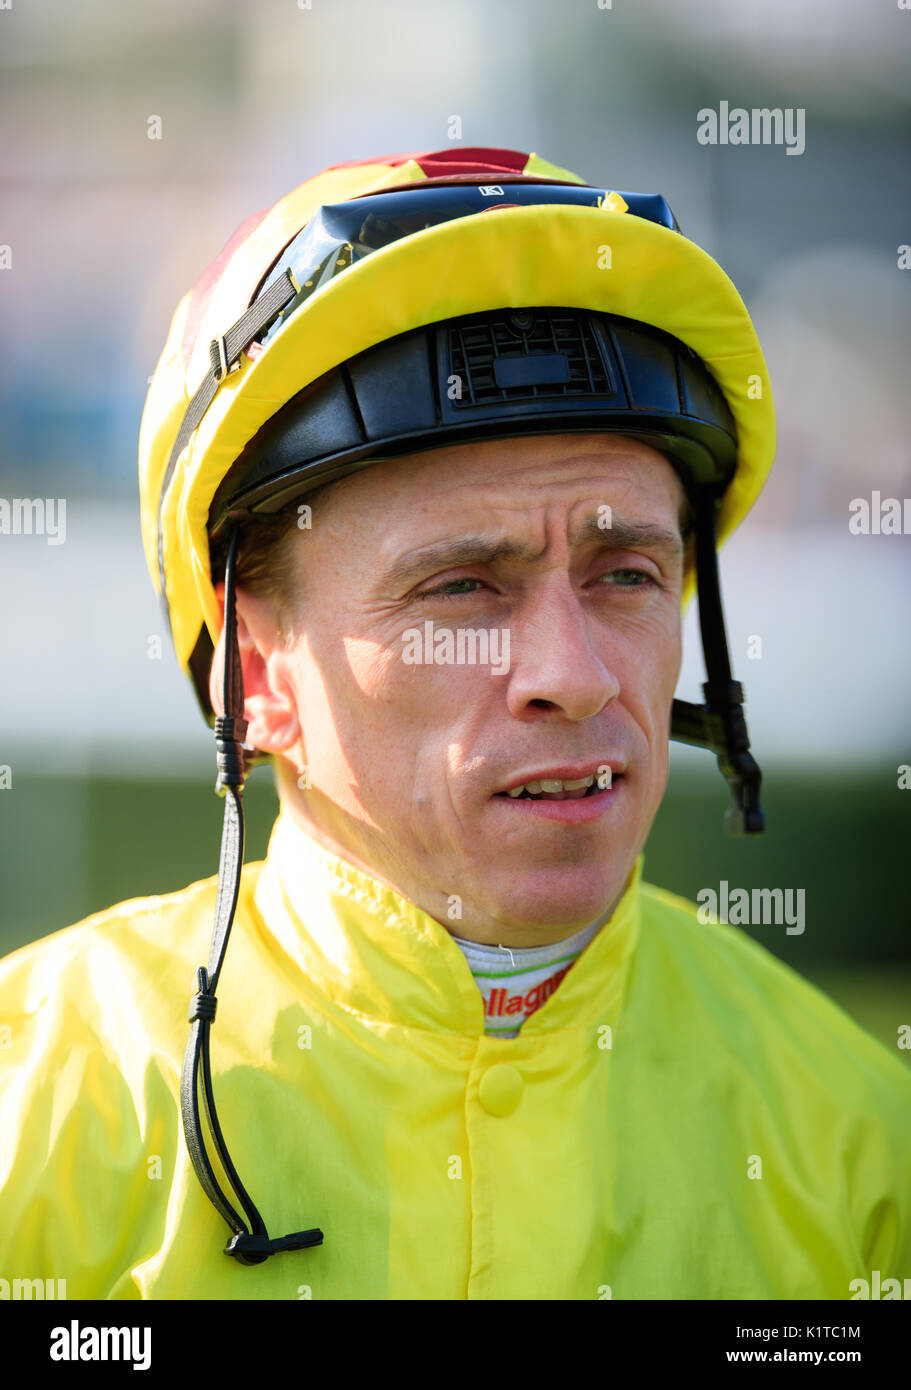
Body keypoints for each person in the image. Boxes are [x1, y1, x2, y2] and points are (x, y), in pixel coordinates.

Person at [1, 147, 908, 1301]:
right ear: (258, 673)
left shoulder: (865, 1140)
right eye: (462, 587)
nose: (574, 677)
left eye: (624, 572)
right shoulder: (23, 1113)